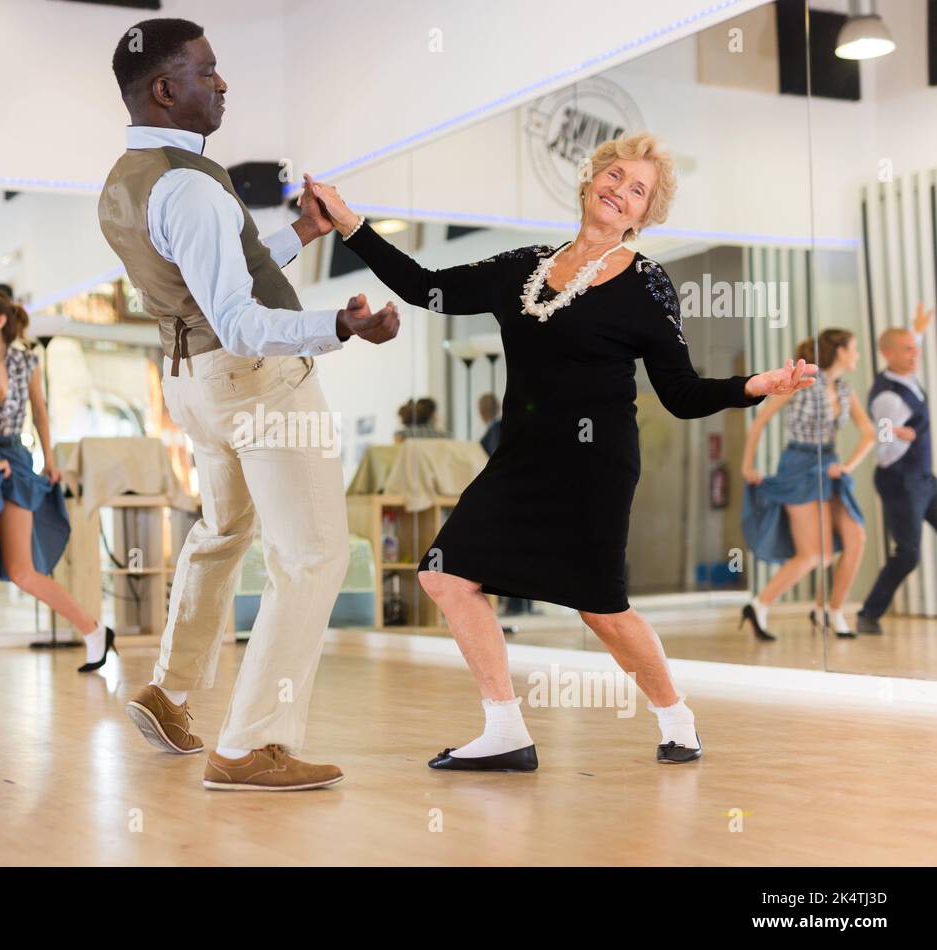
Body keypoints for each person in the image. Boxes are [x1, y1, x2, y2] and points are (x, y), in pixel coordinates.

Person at [309, 132, 813, 769]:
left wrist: (754, 386)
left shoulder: (647, 285)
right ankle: (505, 731)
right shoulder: (521, 267)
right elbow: (424, 286)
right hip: (520, 458)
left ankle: (675, 717)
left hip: (595, 465)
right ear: (589, 179)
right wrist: (349, 223)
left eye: (638, 191)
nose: (620, 193)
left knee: (600, 607)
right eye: (616, 177)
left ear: (644, 214)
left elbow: (680, 394)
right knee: (444, 572)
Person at [99, 18, 399, 791]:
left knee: (225, 529)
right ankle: (250, 744)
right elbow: (238, 318)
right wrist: (340, 325)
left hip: (192, 385)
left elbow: (221, 272)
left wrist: (299, 232)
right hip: (253, 381)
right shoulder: (192, 189)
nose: (222, 82)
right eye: (207, 71)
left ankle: (169, 689)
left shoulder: (127, 181)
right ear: (165, 89)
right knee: (313, 557)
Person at [0, 289, 111, 678]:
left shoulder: (27, 361)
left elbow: (40, 410)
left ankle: (95, 632)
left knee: (24, 572)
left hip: (15, 459)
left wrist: (48, 459)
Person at [739, 330, 872, 639]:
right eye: (854, 349)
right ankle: (759, 605)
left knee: (856, 539)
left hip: (829, 467)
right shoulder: (803, 384)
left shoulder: (843, 389)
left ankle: (831, 611)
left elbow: (869, 432)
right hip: (798, 467)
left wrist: (847, 466)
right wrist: (747, 466)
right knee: (815, 554)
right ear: (839, 351)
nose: (858, 355)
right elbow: (759, 421)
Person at [856, 305, 936, 635]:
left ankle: (868, 613)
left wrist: (914, 331)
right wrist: (905, 436)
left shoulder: (902, 373)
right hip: (900, 479)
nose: (915, 352)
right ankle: (867, 614)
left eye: (915, 347)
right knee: (908, 554)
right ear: (887, 354)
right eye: (908, 349)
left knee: (908, 552)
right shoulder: (888, 398)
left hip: (921, 477)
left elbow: (903, 346)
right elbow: (884, 443)